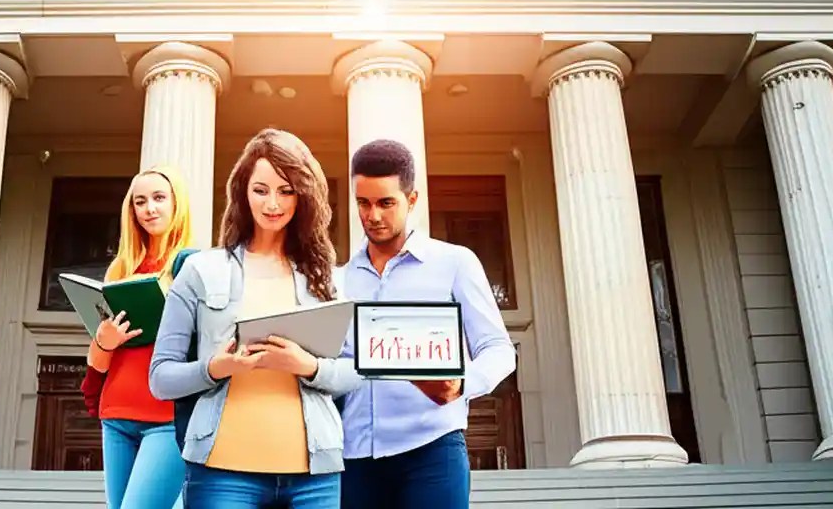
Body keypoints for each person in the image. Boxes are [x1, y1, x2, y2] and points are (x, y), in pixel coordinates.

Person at [149, 128, 361, 509]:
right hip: (221, 475)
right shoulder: (200, 270)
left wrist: (308, 366)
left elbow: (355, 371)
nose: (273, 203)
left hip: (315, 478)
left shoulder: (327, 275)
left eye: (286, 190)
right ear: (242, 193)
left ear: (304, 195)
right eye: (260, 189)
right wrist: (217, 367)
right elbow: (160, 378)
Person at [338, 139, 516, 509]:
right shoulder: (338, 280)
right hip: (354, 456)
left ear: (412, 199)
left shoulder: (455, 263)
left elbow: (498, 349)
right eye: (363, 202)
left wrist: (462, 384)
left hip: (433, 451)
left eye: (386, 203)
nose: (373, 215)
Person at [81, 167, 193, 509]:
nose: (149, 208)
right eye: (140, 201)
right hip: (115, 414)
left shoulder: (192, 264)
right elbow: (98, 361)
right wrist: (105, 340)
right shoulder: (119, 270)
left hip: (164, 417)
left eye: (159, 198)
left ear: (177, 205)